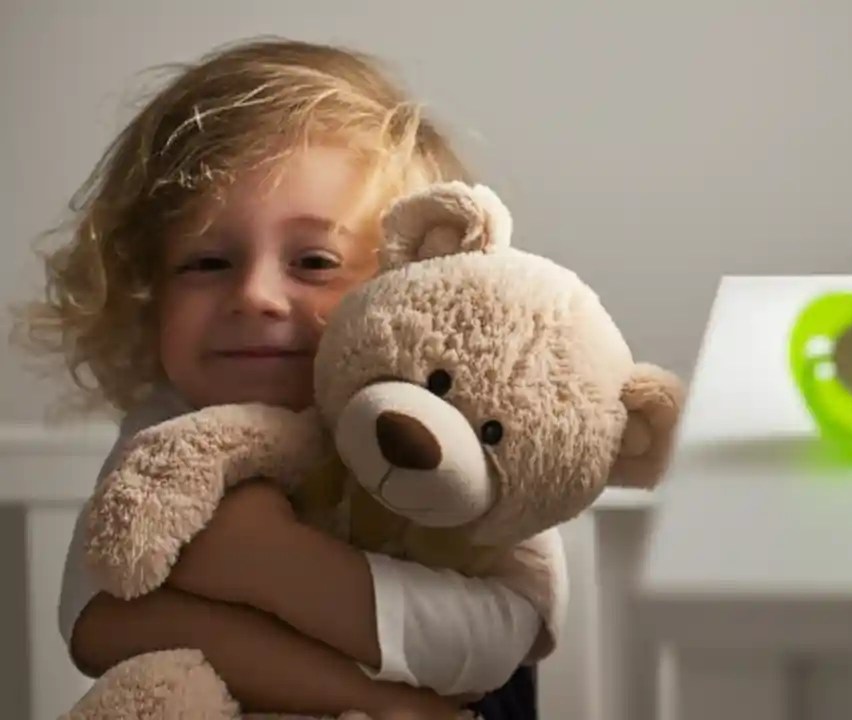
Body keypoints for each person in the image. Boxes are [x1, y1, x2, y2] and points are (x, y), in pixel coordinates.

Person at [13, 37, 541, 720]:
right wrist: (371, 698)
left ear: (411, 284)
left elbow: (500, 641)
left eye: (316, 261)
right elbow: (99, 625)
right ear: (145, 294)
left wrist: (271, 564)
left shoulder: (468, 424)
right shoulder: (170, 428)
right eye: (205, 263)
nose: (255, 295)